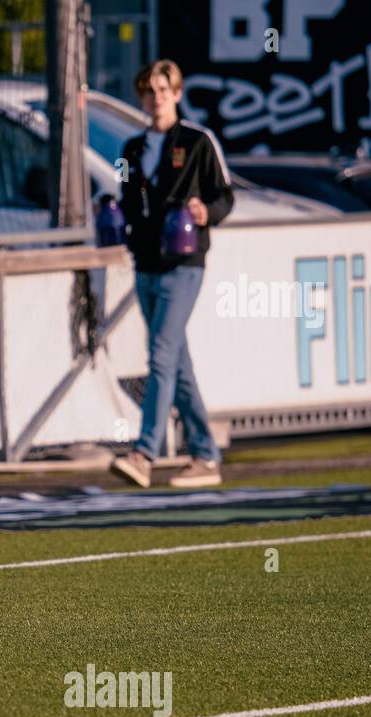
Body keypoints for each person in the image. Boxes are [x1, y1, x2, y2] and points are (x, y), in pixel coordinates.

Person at [110, 59, 232, 489]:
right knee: (176, 364)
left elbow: (224, 197)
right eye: (149, 91)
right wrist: (107, 211)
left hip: (184, 263)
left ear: (177, 94)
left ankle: (145, 452)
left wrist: (205, 211)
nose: (156, 97)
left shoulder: (198, 142)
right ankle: (205, 455)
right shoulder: (131, 149)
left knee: (160, 354)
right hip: (145, 263)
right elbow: (124, 195)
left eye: (163, 89)